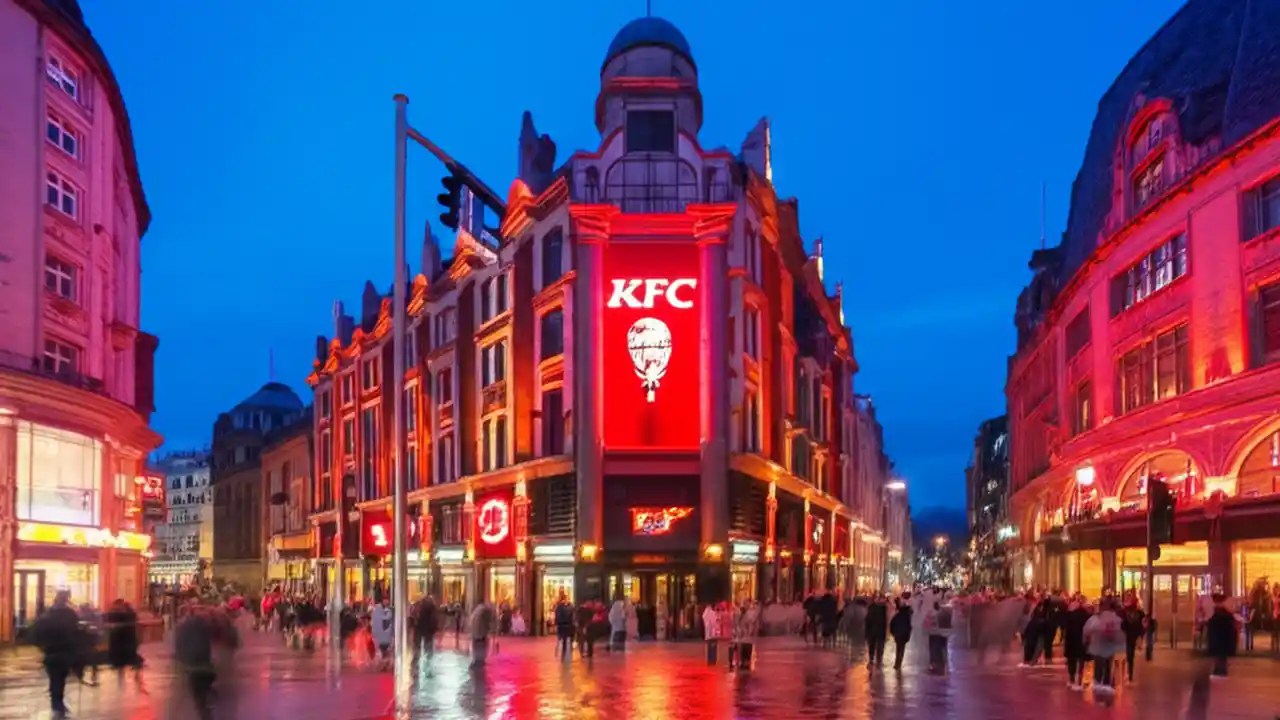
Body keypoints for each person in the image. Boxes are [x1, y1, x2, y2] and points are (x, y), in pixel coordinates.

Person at [32, 591, 81, 718]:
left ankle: (57, 704)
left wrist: (43, 646)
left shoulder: (46, 616)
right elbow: (76, 632)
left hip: (51, 652)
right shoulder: (70, 615)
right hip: (65, 652)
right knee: (60, 679)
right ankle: (57, 704)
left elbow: (37, 633)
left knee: (55, 679)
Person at [1082, 598, 1125, 693]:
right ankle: (1105, 682)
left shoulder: (1095, 618)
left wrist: (1086, 641)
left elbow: (1086, 630)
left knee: (1101, 664)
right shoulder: (1112, 618)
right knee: (1106, 664)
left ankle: (1100, 682)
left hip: (1098, 646)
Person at [104, 599, 144, 690]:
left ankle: (124, 677)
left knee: (126, 658)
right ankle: (127, 676)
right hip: (124, 640)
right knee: (127, 658)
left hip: (124, 640)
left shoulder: (125, 615)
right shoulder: (126, 614)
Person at [1061, 596, 1091, 690]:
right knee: (1081, 661)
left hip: (1071, 640)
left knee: (1071, 661)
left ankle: (1071, 680)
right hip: (1081, 640)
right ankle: (1079, 680)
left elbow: (1065, 627)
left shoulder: (1070, 614)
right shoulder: (1086, 615)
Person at [1205, 593, 1237, 679]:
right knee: (1222, 657)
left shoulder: (1216, 615)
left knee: (1219, 657)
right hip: (1224, 642)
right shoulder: (1227, 615)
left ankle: (1219, 671)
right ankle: (1221, 671)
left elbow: (1212, 628)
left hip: (1218, 642)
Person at [1120, 596, 1146, 683]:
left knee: (1129, 655)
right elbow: (1143, 626)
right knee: (1131, 656)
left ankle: (1127, 673)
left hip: (1127, 636)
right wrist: (1141, 635)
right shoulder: (1140, 613)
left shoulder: (1125, 613)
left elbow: (1122, 625)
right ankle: (1129, 674)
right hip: (1133, 636)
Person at [889, 595, 914, 671]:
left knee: (898, 648)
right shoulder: (907, 617)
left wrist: (893, 633)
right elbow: (909, 626)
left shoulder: (897, 616)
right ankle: (899, 662)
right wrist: (908, 635)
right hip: (904, 635)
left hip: (898, 634)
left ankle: (897, 663)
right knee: (902, 648)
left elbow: (892, 624)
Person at [469, 601, 495, 668]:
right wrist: (491, 629)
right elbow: (489, 621)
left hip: (475, 631)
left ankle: (476, 659)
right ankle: (479, 660)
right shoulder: (487, 610)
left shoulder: (479, 608)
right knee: (482, 645)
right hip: (480, 631)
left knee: (476, 644)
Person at [865, 596, 888, 668]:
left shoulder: (882, 608)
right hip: (877, 630)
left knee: (875, 646)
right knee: (877, 646)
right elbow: (868, 619)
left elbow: (868, 619)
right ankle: (877, 660)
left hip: (875, 630)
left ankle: (874, 660)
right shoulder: (883, 608)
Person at [370, 598, 394, 671]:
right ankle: (384, 665)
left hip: (382, 637)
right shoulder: (384, 613)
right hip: (383, 637)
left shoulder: (378, 613)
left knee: (384, 652)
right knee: (384, 652)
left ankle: (383, 665)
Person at [415, 595, 439, 664]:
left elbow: (417, 617)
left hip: (420, 628)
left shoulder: (421, 606)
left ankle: (418, 658)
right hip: (429, 629)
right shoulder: (432, 607)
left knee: (418, 645)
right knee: (428, 645)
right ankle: (428, 659)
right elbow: (434, 619)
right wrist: (434, 628)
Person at [553, 592, 575, 660]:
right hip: (566, 625)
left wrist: (557, 624)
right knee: (566, 640)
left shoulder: (560, 607)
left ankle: (565, 653)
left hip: (564, 625)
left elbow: (558, 617)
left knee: (564, 640)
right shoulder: (570, 606)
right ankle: (566, 653)